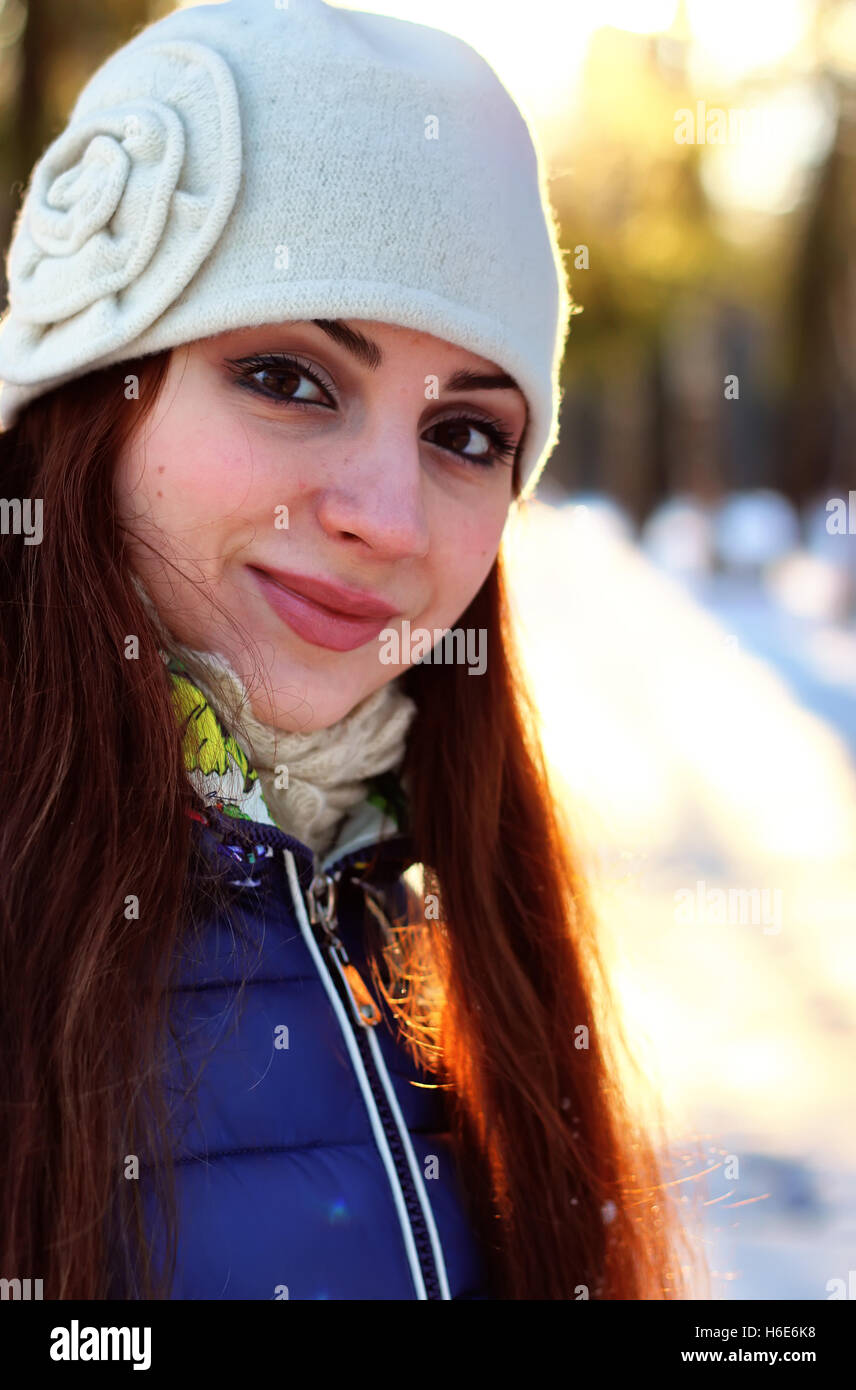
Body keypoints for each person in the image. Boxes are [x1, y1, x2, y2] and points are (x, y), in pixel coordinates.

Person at [0, 0, 690, 1300]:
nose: (384, 514)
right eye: (287, 376)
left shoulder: (451, 910)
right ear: (93, 400)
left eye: (467, 435)